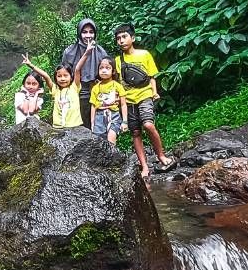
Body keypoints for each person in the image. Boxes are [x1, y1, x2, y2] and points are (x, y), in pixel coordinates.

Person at [113, 23, 177, 178]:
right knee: (135, 132)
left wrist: (154, 92)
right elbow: (117, 81)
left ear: (132, 38)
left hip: (144, 94)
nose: (121, 41)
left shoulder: (144, 54)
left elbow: (151, 76)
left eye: (124, 37)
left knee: (148, 124)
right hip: (128, 100)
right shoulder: (116, 60)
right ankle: (145, 167)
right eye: (118, 38)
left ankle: (161, 156)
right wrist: (117, 97)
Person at [59, 18, 109, 130]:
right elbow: (64, 74)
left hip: (97, 93)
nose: (88, 36)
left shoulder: (101, 52)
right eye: (84, 32)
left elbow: (108, 74)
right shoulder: (70, 51)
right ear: (79, 33)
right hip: (76, 93)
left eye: (91, 32)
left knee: (96, 127)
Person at [24, 50, 91, 129]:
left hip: (74, 126)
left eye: (65, 75)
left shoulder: (74, 86)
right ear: (56, 78)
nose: (62, 79)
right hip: (58, 127)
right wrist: (31, 65)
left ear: (71, 76)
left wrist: (87, 52)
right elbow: (46, 76)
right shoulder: (55, 89)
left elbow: (77, 69)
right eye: (59, 76)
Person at [88, 57, 126, 146]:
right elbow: (93, 106)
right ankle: (101, 159)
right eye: (101, 68)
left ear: (113, 71)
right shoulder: (95, 88)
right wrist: (92, 123)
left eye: (107, 68)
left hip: (114, 115)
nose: (104, 70)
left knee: (111, 138)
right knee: (98, 141)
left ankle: (113, 158)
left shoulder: (118, 86)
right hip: (99, 116)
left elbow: (123, 104)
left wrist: (125, 121)